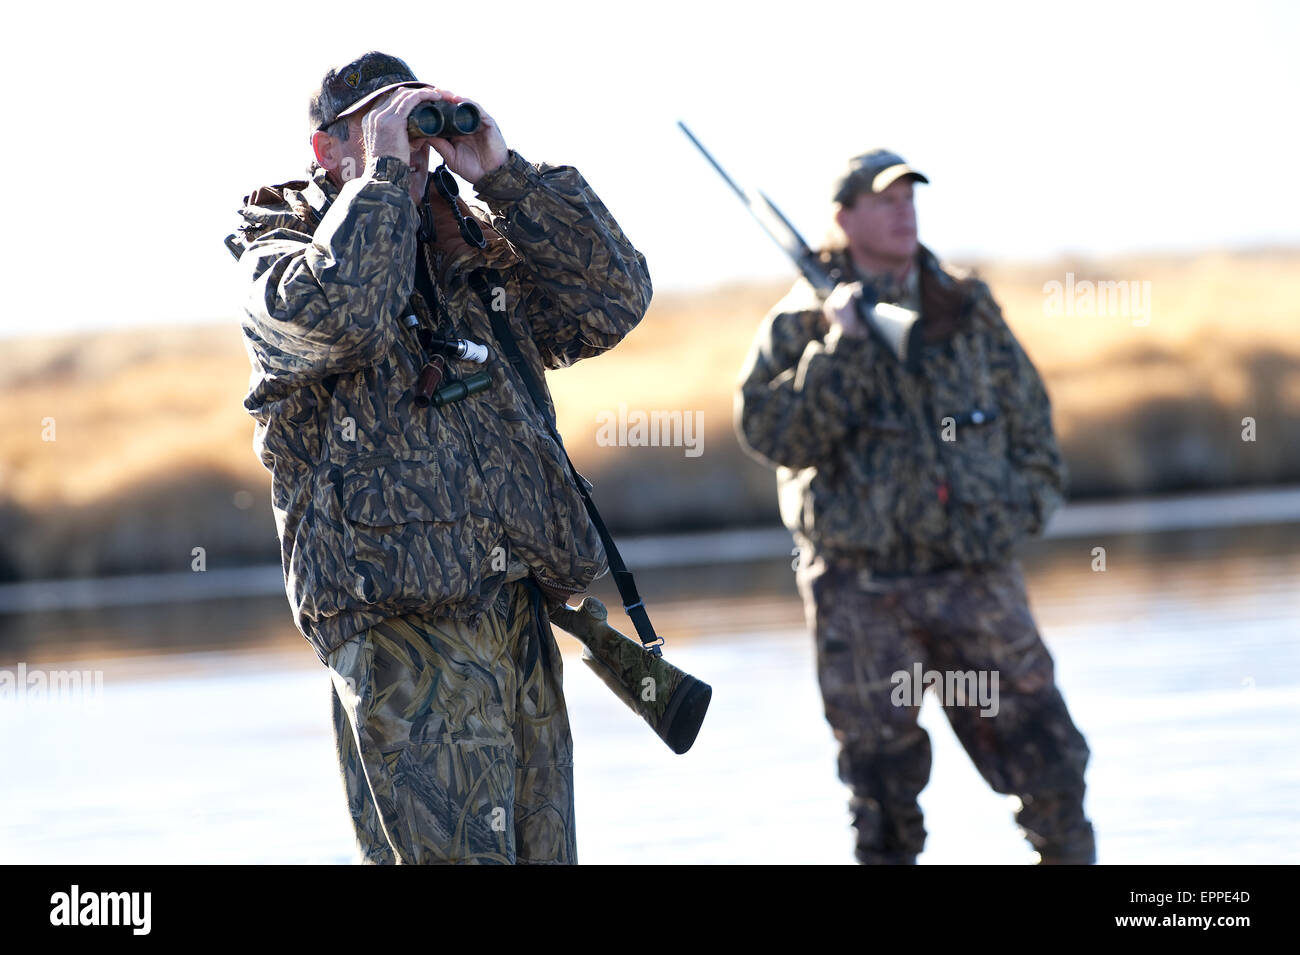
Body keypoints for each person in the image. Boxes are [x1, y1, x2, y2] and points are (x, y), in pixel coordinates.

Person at [225, 51, 652, 864]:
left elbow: (614, 298)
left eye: (419, 120)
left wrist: (504, 177)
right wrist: (383, 178)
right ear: (326, 150)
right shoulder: (279, 258)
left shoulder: (469, 255)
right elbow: (341, 316)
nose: (413, 142)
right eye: (382, 124)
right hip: (401, 636)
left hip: (517, 613)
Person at [735, 149, 1095, 864]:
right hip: (860, 589)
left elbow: (1031, 425)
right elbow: (774, 434)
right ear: (843, 217)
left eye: (909, 196)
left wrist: (1011, 515)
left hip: (974, 575)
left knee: (1047, 759)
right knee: (881, 792)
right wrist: (844, 346)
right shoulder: (801, 324)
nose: (904, 210)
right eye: (884, 198)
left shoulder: (963, 307)